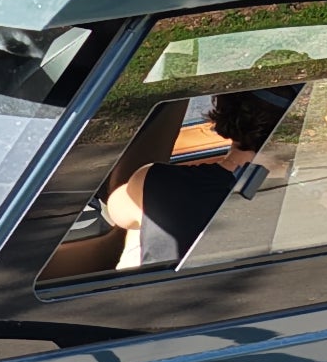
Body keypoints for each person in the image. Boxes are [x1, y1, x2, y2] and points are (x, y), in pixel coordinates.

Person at [104, 87, 292, 271]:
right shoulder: (307, 194)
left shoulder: (156, 182)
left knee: (141, 221)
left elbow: (118, 212)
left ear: (226, 108)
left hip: (168, 297)